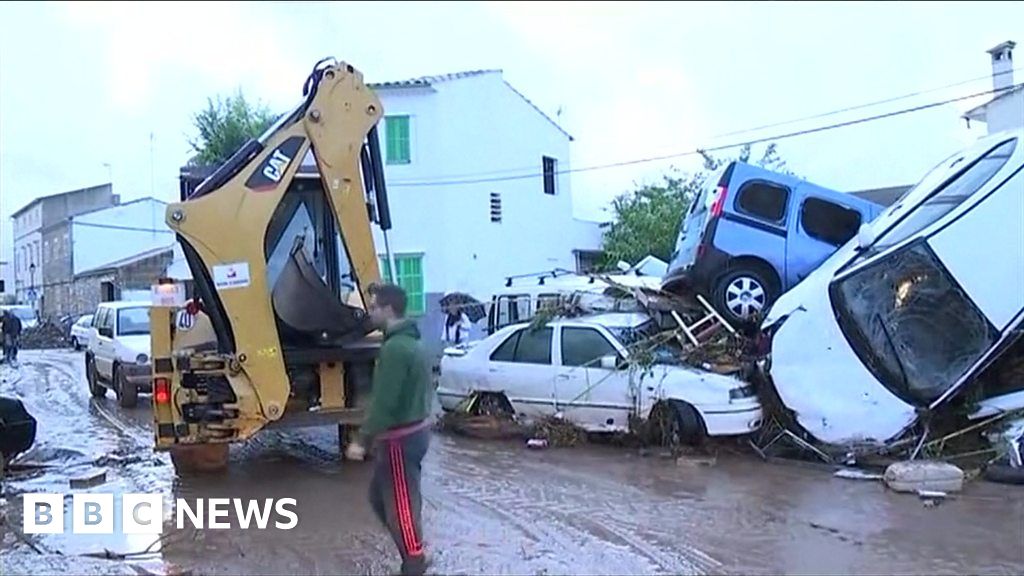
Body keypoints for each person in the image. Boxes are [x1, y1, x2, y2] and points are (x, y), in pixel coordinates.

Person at [346, 283, 433, 576]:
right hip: (414, 432)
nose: (370, 313)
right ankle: (414, 548)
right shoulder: (411, 342)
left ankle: (414, 562)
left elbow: (385, 401)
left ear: (388, 309)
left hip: (400, 438)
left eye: (374, 307)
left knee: (399, 505)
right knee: (380, 497)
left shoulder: (396, 349)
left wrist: (362, 440)